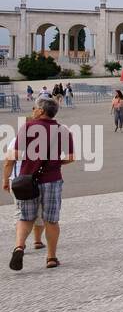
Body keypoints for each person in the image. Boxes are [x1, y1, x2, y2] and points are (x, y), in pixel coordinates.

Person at [4, 95, 75, 271]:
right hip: (52, 180)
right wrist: (56, 163)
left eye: (35, 108)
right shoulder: (63, 130)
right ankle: (51, 257)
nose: (33, 111)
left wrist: (7, 177)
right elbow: (72, 158)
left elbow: (14, 155)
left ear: (41, 111)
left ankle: (19, 246)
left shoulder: (27, 127)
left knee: (26, 217)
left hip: (28, 180)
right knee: (51, 220)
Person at [4, 107, 46, 256]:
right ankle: (37, 240)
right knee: (40, 212)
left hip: (17, 181)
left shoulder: (15, 140)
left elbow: (9, 162)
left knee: (20, 213)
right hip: (37, 181)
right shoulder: (43, 139)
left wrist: (5, 181)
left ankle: (19, 245)